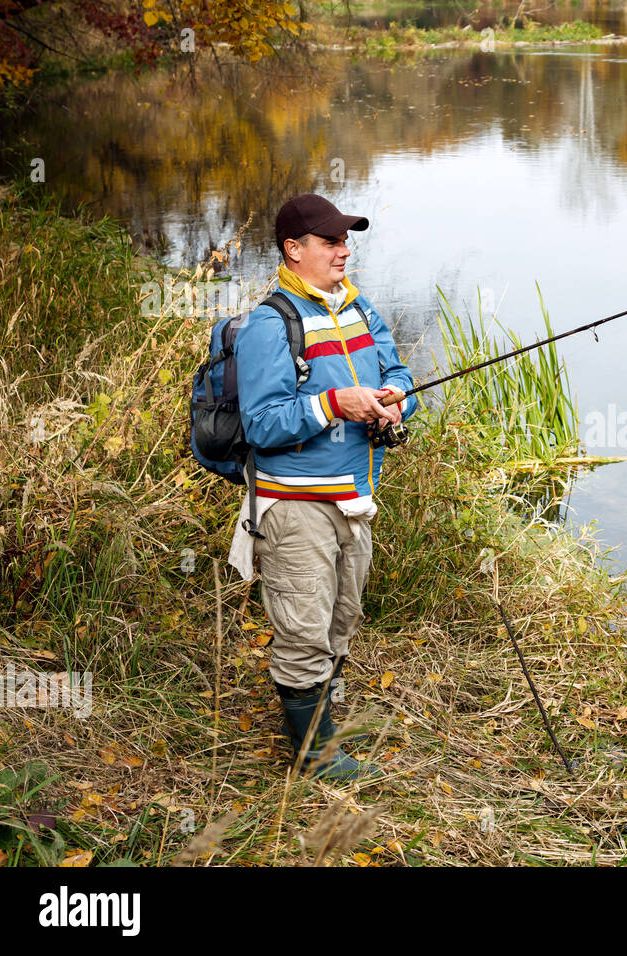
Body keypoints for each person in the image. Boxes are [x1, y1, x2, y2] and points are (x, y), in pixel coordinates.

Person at [226, 193, 418, 780]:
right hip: (295, 505)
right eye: (331, 241)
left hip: (356, 497)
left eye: (346, 239)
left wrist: (397, 396)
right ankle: (315, 756)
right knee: (305, 631)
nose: (344, 249)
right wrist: (337, 402)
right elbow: (261, 423)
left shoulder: (359, 309)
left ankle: (320, 713)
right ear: (294, 249)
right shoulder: (269, 324)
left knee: (341, 620)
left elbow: (396, 369)